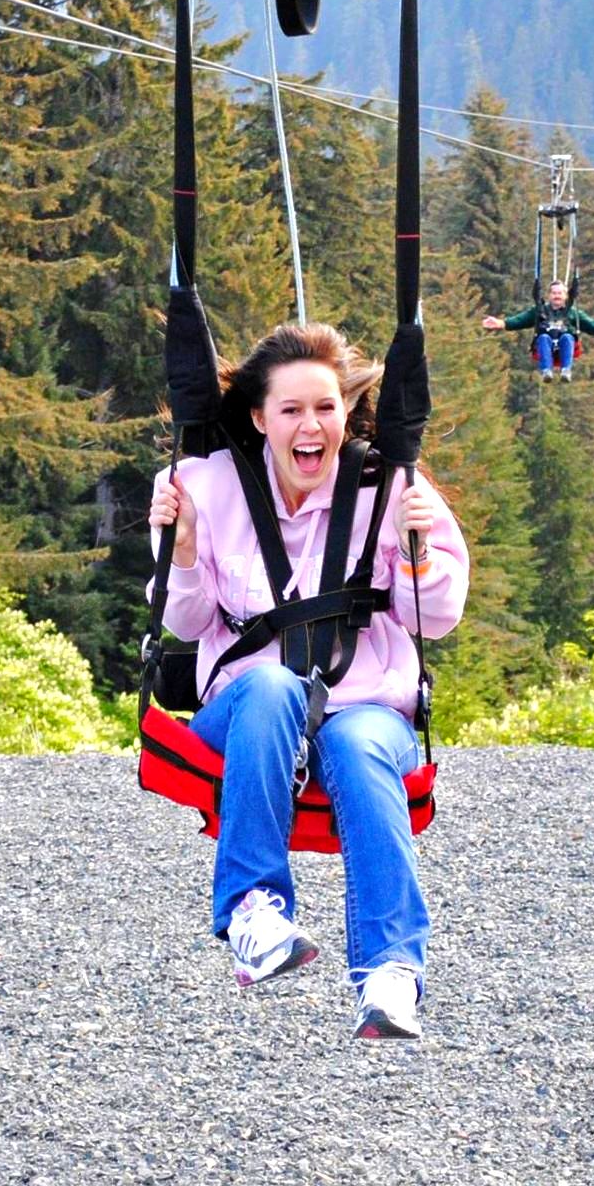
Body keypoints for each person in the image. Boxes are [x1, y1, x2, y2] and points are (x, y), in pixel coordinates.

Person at [148, 322, 469, 1040]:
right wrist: (189, 550)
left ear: (345, 414)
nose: (310, 426)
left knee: (360, 747)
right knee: (273, 687)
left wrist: (417, 556)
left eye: (325, 408)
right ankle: (253, 913)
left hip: (364, 700)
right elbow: (189, 616)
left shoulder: (391, 487)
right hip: (245, 713)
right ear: (260, 418)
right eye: (291, 410)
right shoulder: (201, 487)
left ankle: (389, 975)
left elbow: (439, 617)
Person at [481, 280, 594, 380]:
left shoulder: (572, 313)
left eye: (560, 293)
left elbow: (592, 325)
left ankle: (566, 370)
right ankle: (546, 371)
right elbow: (520, 320)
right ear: (549, 295)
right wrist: (500, 323)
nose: (557, 296)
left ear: (565, 295)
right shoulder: (540, 311)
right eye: (554, 293)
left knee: (567, 337)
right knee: (543, 338)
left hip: (565, 346)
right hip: (546, 347)